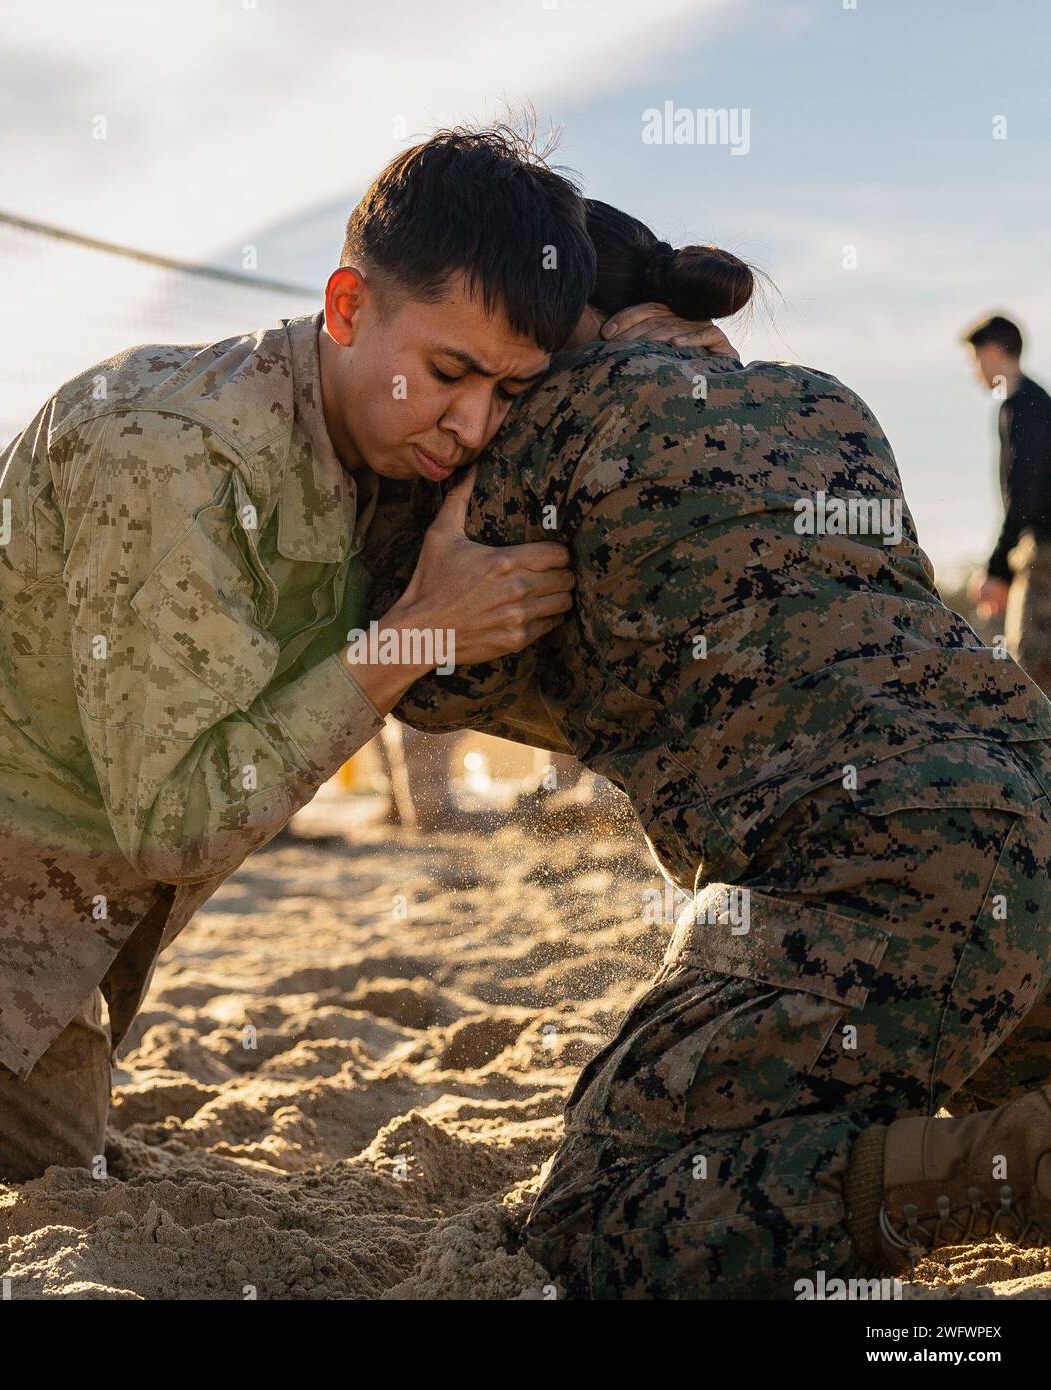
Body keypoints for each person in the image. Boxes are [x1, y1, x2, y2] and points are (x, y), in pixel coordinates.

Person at [0, 125, 602, 1289]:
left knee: (41, 1161)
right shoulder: (176, 457)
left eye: (510, 391)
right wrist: (416, 634)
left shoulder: (390, 446)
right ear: (345, 306)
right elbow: (176, 816)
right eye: (449, 373)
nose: (474, 426)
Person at [369, 200, 1051, 1298]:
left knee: (601, 1216)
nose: (491, 395)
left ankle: (1015, 1174)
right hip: (1030, 826)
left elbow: (443, 682)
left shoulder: (559, 420)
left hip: (889, 873)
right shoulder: (828, 401)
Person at [963, 313, 1051, 693]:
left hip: (1043, 555)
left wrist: (998, 569)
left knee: (1031, 681)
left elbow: (1025, 495)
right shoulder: (1036, 402)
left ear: (994, 352)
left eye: (975, 360)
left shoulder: (1023, 405)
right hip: (1038, 552)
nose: (975, 372)